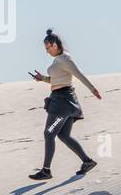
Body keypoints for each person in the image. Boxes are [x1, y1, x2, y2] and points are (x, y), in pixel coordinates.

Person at [28, 29, 101, 180]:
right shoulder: (59, 60)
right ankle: (87, 161)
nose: (47, 51)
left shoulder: (65, 59)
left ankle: (46, 171)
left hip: (62, 103)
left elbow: (79, 75)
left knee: (49, 134)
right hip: (63, 101)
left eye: (48, 48)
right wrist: (43, 78)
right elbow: (57, 79)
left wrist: (93, 89)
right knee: (63, 135)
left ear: (54, 45)